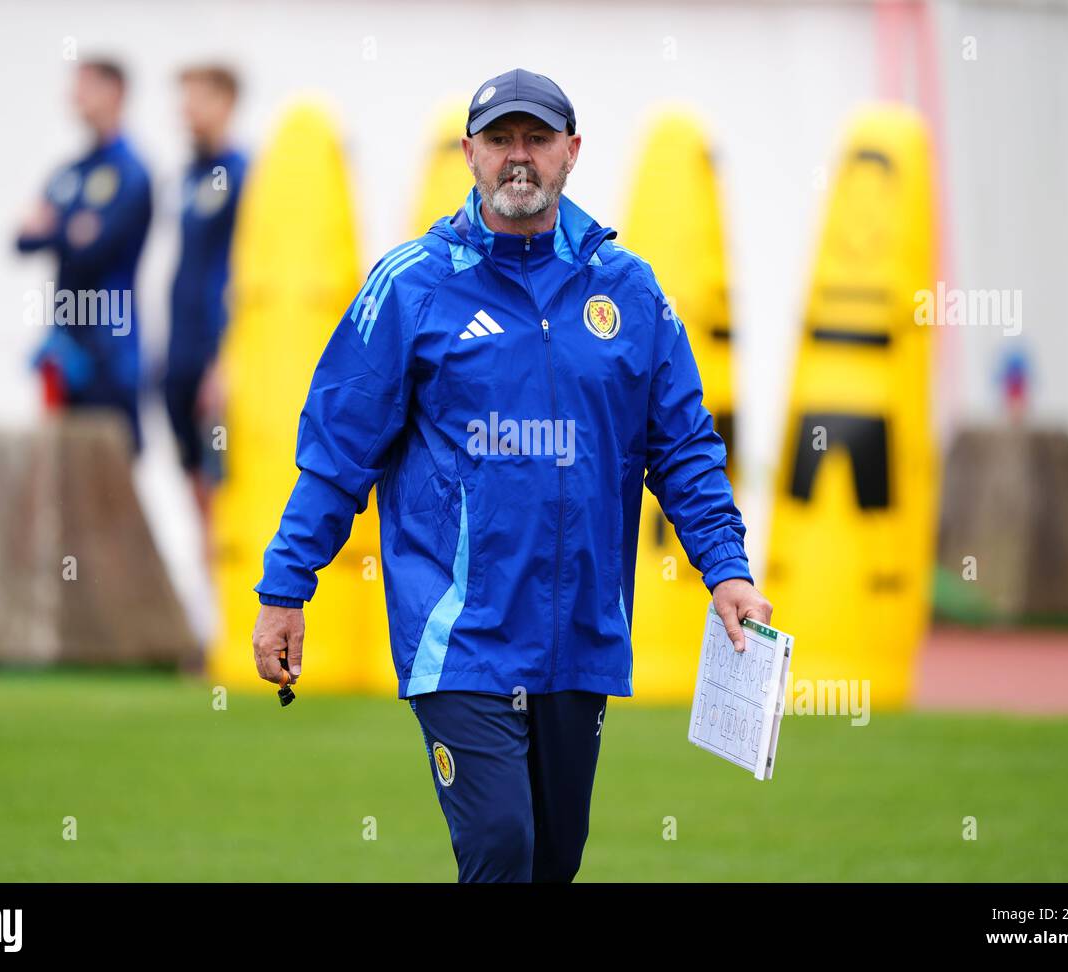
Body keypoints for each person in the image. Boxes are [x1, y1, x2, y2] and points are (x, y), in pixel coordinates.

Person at [250, 68, 773, 882]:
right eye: (499, 141)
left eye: (535, 139)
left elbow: (684, 447)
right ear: (469, 154)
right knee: (501, 848)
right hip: (461, 638)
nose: (517, 158)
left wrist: (728, 570)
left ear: (572, 152)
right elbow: (336, 452)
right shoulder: (412, 286)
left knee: (552, 865)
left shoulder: (628, 290)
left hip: (582, 641)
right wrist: (286, 588)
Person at [16, 58, 152, 452]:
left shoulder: (132, 171)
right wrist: (70, 229)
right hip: (65, 343)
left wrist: (55, 229)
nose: (75, 96)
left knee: (111, 468)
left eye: (88, 86)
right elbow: (22, 240)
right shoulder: (69, 172)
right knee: (56, 462)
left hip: (112, 340)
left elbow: (95, 246)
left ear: (116, 93)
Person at [165, 65, 248, 558]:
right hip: (180, 349)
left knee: (218, 476)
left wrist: (225, 358)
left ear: (226, 101)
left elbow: (243, 271)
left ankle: (234, 602)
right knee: (189, 475)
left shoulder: (244, 174)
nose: (185, 111)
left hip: (214, 356)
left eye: (196, 98)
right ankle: (211, 600)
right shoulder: (189, 175)